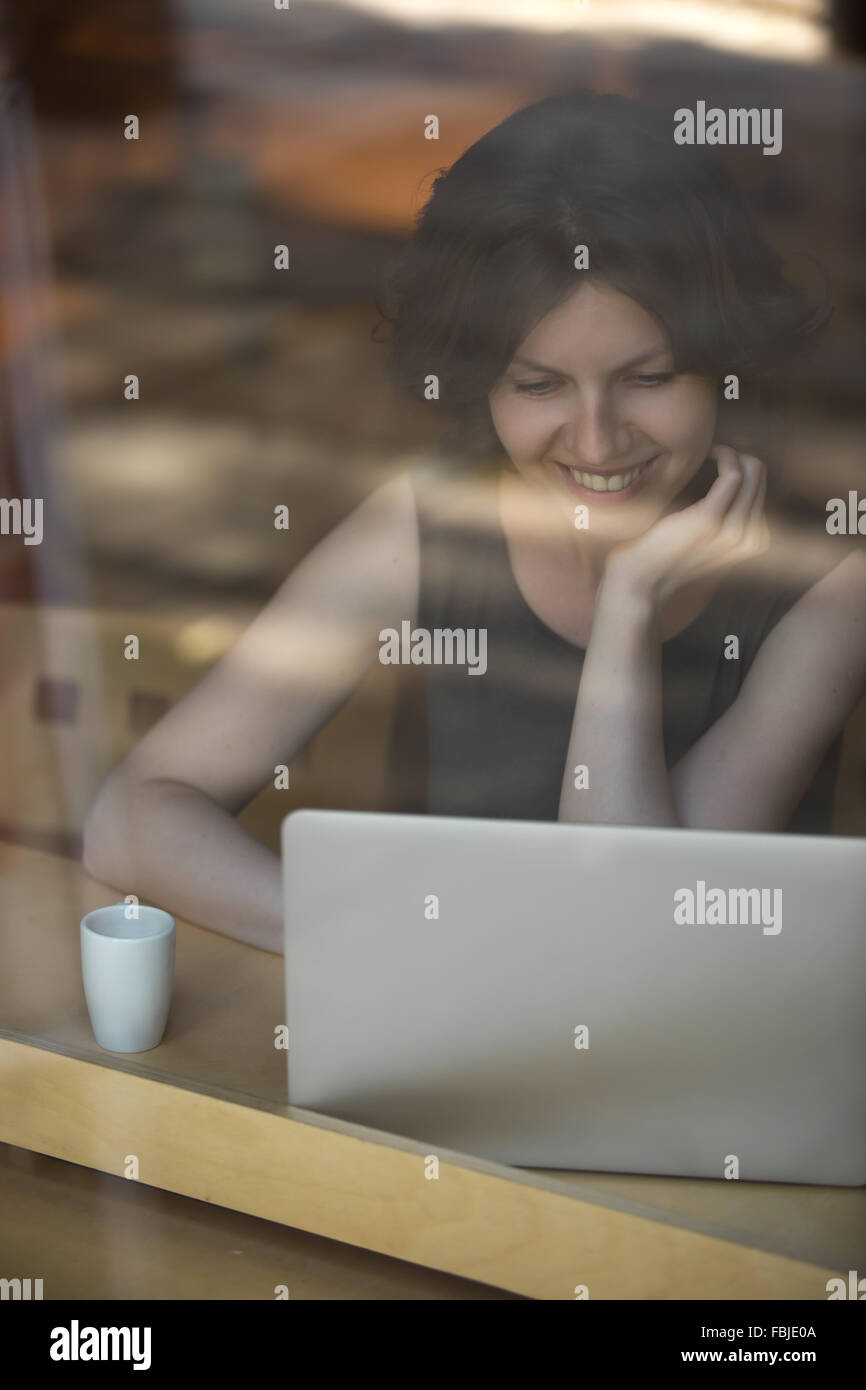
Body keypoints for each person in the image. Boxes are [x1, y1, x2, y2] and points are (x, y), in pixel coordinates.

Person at [83, 93, 866, 954]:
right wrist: (365, 944)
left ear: (722, 361)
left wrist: (627, 611)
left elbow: (625, 947)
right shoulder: (431, 525)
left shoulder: (826, 584)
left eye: (650, 378)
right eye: (539, 386)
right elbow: (128, 819)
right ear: (480, 382)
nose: (598, 440)